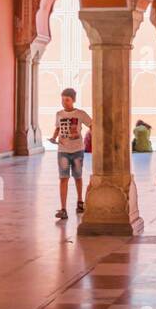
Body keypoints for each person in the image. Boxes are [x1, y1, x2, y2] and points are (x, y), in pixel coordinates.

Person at [49, 87, 91, 220]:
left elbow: (92, 124)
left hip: (77, 150)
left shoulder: (80, 114)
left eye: (67, 100)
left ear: (73, 100)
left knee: (78, 177)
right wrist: (53, 137)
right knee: (63, 178)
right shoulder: (59, 114)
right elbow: (57, 128)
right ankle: (63, 209)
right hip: (63, 151)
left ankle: (80, 202)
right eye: (62, 100)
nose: (64, 103)